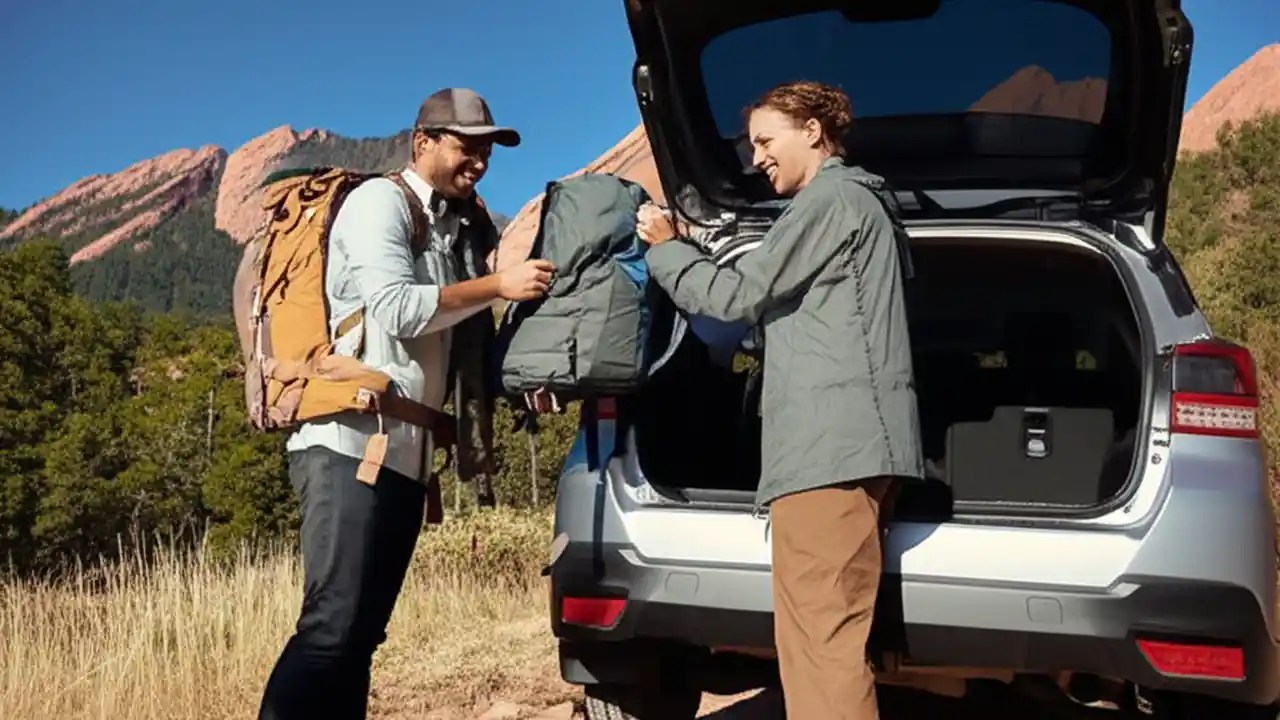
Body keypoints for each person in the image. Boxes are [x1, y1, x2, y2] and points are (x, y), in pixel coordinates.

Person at [258, 87, 554, 720]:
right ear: (423, 141)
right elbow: (396, 308)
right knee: (332, 627)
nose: (478, 160)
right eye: (466, 145)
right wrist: (499, 285)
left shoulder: (452, 226)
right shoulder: (377, 205)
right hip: (347, 443)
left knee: (361, 638)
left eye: (487, 149)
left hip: (402, 458)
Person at [635, 80, 924, 719]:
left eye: (766, 140)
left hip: (827, 454)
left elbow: (737, 298)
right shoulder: (860, 206)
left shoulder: (831, 200)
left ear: (814, 132)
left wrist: (665, 251)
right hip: (845, 450)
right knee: (822, 641)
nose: (756, 157)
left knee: (820, 647)